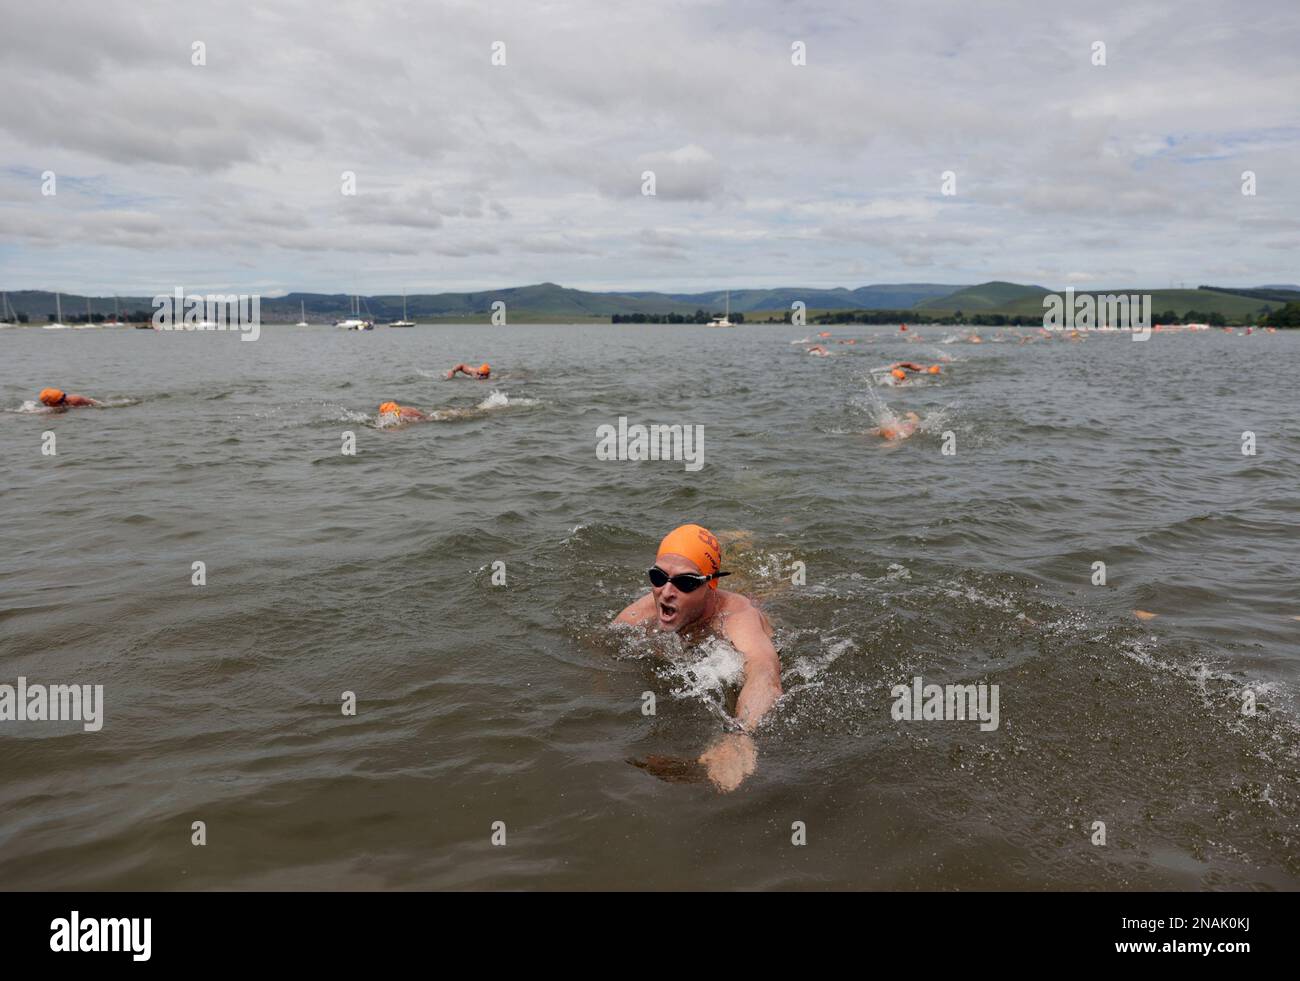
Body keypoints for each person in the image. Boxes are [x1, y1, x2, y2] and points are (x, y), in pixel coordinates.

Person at [615, 524, 783, 792]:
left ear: (710, 584)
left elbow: (764, 673)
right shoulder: (646, 609)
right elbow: (602, 646)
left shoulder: (737, 619)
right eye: (658, 577)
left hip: (749, 604)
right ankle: (737, 539)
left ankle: (748, 538)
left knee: (765, 593)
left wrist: (740, 735)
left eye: (685, 582)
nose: (666, 592)